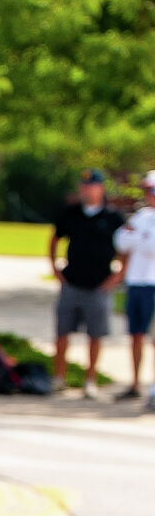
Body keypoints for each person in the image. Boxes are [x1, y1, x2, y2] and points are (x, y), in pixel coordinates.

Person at [50, 169, 126, 399]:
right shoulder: (71, 213)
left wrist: (117, 276)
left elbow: (125, 247)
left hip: (99, 284)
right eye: (83, 186)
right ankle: (59, 378)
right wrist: (54, 267)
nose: (86, 190)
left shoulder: (113, 217)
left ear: (101, 188)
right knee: (62, 331)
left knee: (96, 334)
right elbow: (55, 237)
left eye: (91, 186)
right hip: (72, 281)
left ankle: (90, 380)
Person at [111, 171, 155, 405]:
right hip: (136, 283)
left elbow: (150, 247)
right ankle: (135, 383)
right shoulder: (142, 216)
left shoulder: (140, 221)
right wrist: (140, 237)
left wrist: (136, 237)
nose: (148, 195)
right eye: (147, 190)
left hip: (153, 286)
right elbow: (120, 241)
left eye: (151, 190)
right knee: (135, 335)